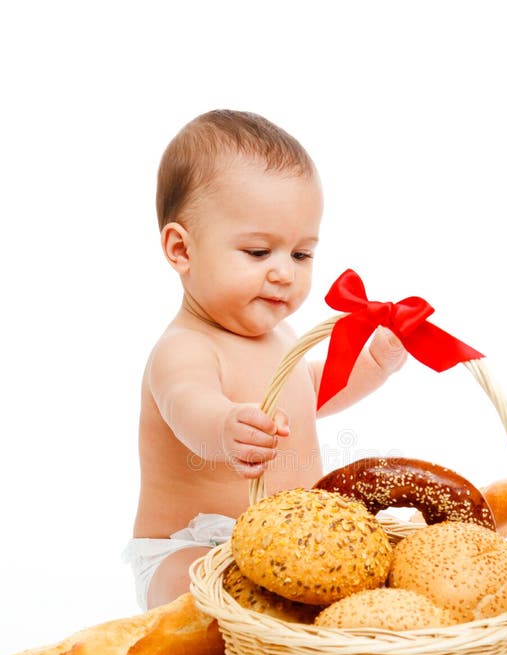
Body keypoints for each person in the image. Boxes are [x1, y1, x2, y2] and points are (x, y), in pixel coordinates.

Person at [123, 110, 407, 610]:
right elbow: (191, 405)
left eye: (301, 255)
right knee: (198, 590)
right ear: (180, 249)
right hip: (195, 545)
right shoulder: (184, 347)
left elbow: (308, 393)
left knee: (370, 569)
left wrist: (372, 366)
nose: (284, 273)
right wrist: (226, 426)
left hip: (291, 547)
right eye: (258, 252)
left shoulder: (282, 336)